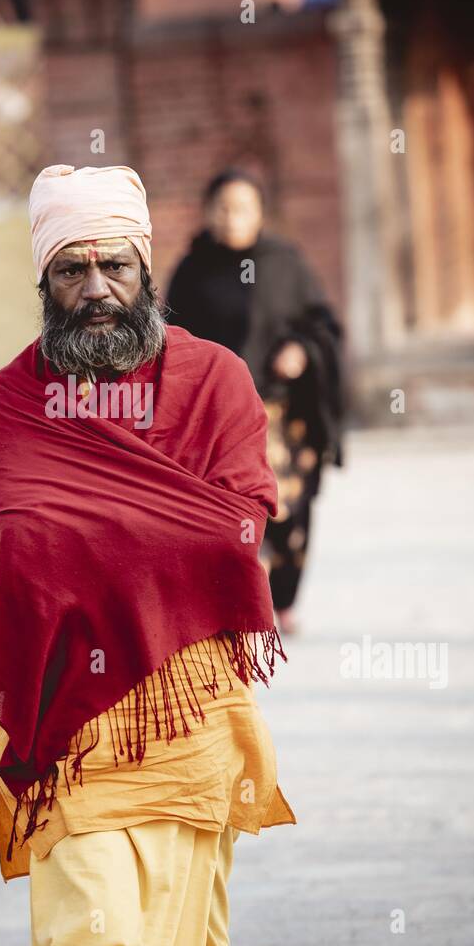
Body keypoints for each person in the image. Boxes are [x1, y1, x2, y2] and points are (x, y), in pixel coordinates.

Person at [0, 163, 297, 946]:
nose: (97, 288)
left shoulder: (215, 379)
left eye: (115, 265)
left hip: (189, 719)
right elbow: (21, 549)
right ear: (43, 282)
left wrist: (103, 528)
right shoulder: (15, 395)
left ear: (147, 269)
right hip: (67, 721)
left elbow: (232, 534)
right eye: (72, 269)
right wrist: (157, 524)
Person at [166, 167, 345, 634]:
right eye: (221, 208)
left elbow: (323, 323)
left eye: (242, 207)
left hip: (284, 414)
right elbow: (168, 339)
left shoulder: (285, 262)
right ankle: (245, 602)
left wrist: (301, 352)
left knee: (288, 509)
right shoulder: (191, 270)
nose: (231, 217)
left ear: (260, 212)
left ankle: (283, 601)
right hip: (218, 416)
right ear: (206, 213)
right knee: (230, 511)